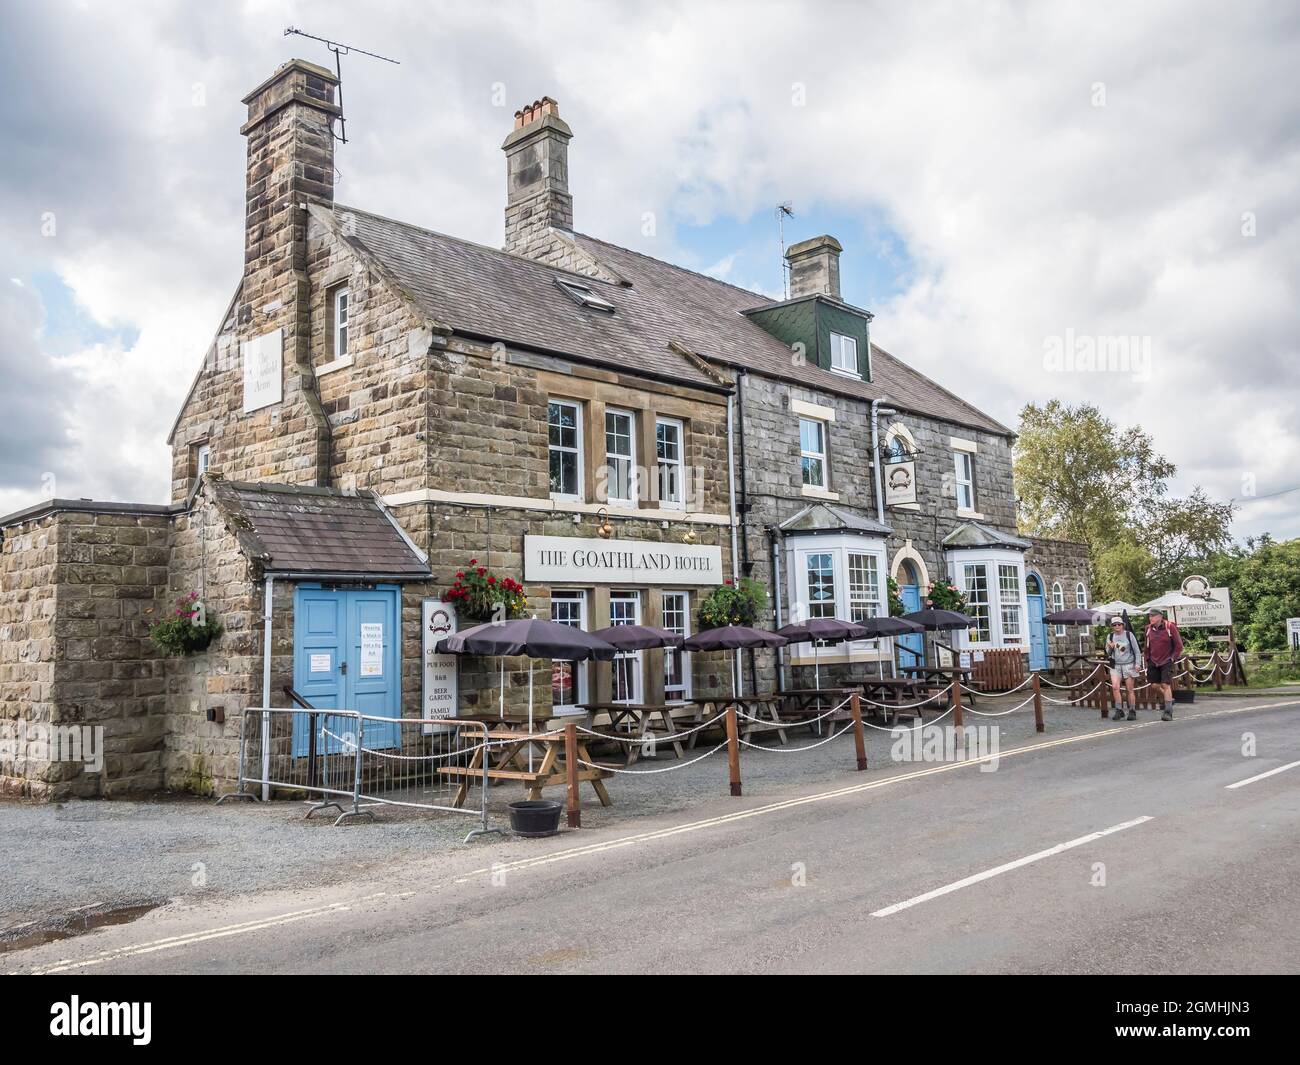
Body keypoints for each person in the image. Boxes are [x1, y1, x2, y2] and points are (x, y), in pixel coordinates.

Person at [1144, 609, 1184, 721]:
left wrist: (1172, 658)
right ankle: (1170, 700)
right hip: (1153, 660)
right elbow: (1146, 646)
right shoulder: (1148, 629)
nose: (1151, 618)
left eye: (1154, 616)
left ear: (1160, 616)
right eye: (1150, 616)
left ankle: (1168, 712)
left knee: (1166, 685)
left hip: (1167, 660)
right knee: (1154, 685)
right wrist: (1147, 658)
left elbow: (1179, 646)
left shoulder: (1170, 627)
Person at [1105, 617, 1142, 720]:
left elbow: (1137, 650)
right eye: (1114, 624)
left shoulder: (1129, 635)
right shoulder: (1110, 636)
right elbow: (1107, 652)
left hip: (1129, 664)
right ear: (1112, 626)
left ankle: (1132, 710)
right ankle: (1118, 709)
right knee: (1115, 687)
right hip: (1115, 664)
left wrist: (1138, 664)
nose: (1117, 626)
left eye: (1119, 624)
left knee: (1129, 689)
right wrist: (1110, 647)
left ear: (1123, 625)